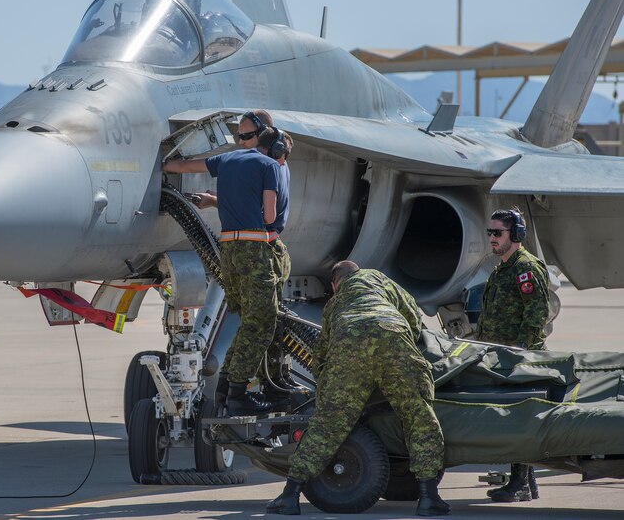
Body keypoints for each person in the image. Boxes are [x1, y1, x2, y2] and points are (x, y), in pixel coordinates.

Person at [267, 261, 449, 517]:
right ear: (357, 272)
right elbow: (411, 314)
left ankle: (290, 496)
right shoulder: (376, 278)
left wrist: (329, 391)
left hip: (349, 343)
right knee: (419, 417)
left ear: (334, 285)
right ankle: (429, 498)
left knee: (327, 425)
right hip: (392, 336)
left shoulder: (334, 304)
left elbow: (321, 354)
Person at [162, 114, 289, 416]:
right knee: (262, 325)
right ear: (276, 146)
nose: (242, 141)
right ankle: (238, 393)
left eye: (245, 136)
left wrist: (164, 166)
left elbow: (179, 166)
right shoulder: (270, 166)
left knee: (248, 322)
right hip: (256, 249)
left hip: (229, 250)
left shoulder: (228, 159)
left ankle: (226, 390)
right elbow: (269, 217)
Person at [477, 208, 549, 503]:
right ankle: (526, 483)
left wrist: (521, 350)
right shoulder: (503, 268)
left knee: (519, 420)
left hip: (518, 358)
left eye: (498, 233)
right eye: (490, 233)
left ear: (516, 235)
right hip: (501, 356)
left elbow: (537, 312)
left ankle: (520, 483)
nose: (492, 238)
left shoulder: (525, 268)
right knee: (514, 419)